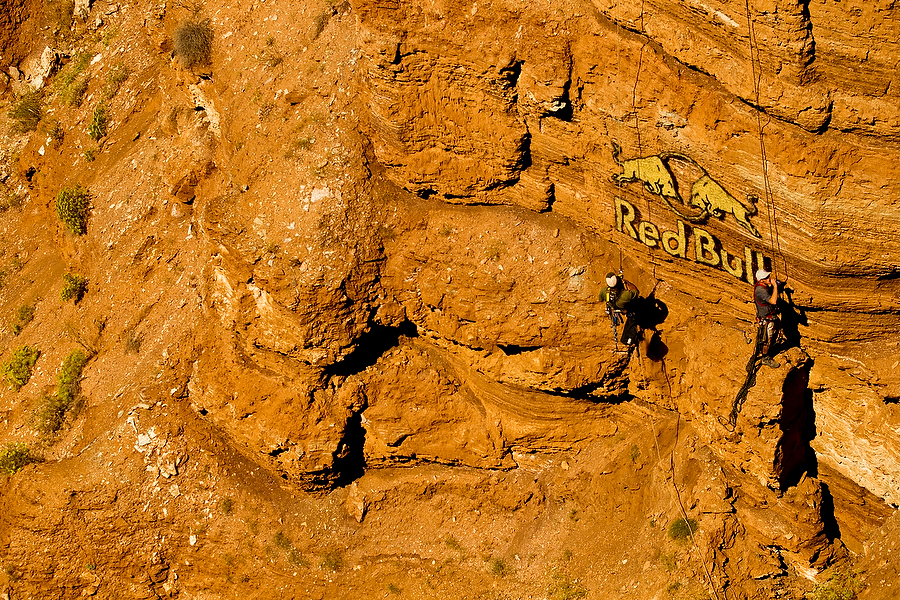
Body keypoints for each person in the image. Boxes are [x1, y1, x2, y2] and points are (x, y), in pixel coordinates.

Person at [600, 272, 639, 347]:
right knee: (634, 312)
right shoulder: (625, 295)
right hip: (624, 308)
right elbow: (636, 292)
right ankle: (630, 338)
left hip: (613, 307)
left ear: (607, 284)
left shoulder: (604, 291)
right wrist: (627, 282)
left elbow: (601, 298)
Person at [754, 269, 781, 367]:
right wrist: (775, 286)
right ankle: (765, 358)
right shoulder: (761, 291)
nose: (769, 278)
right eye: (766, 278)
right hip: (766, 319)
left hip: (769, 316)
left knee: (775, 332)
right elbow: (773, 301)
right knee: (767, 340)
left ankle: (768, 350)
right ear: (761, 280)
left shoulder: (762, 286)